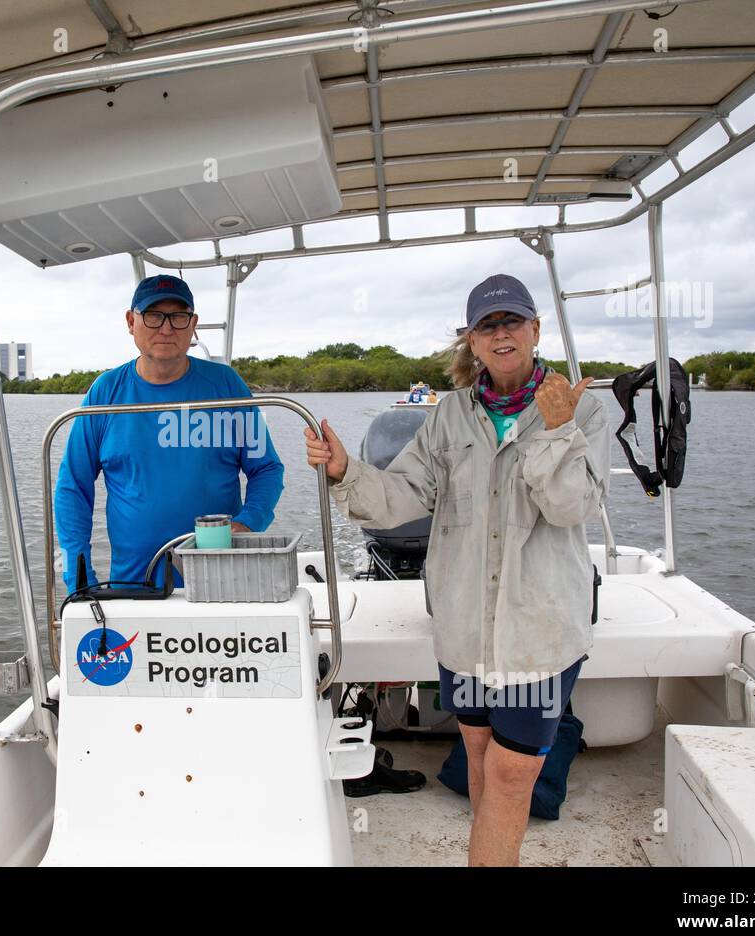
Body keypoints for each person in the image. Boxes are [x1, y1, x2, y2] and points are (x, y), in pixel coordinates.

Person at [303, 274, 610, 866]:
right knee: (477, 759)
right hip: (463, 634)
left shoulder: (583, 410)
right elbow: (403, 497)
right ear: (472, 341)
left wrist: (557, 428)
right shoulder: (447, 417)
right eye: (487, 326)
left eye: (512, 322)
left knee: (513, 776)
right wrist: (345, 472)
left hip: (538, 640)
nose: (501, 334)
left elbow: (570, 506)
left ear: (535, 330)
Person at [55, 274, 285, 591]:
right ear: (131, 321)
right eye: (153, 315)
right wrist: (78, 579)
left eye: (178, 317)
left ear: (193, 324)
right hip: (133, 586)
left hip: (221, 580)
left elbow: (267, 468)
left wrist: (248, 521)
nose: (166, 328)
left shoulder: (226, 386)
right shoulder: (105, 392)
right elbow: (73, 487)